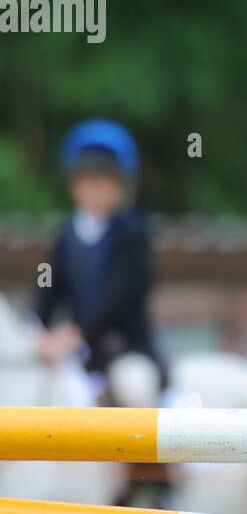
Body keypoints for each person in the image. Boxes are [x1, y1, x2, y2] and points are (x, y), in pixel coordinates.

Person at [35, 119, 167, 396]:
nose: (97, 190)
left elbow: (123, 295)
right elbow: (49, 288)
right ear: (74, 186)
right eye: (89, 182)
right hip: (77, 355)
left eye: (105, 182)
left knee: (135, 387)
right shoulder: (66, 235)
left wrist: (76, 331)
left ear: (121, 185)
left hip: (124, 348)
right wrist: (38, 326)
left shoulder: (134, 232)